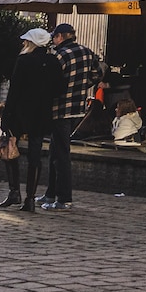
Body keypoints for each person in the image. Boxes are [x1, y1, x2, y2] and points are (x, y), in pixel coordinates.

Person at [41, 22, 104, 212]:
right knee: (56, 150)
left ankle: (63, 198)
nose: (53, 40)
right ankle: (50, 193)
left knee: (60, 153)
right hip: (77, 107)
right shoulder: (88, 52)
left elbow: (51, 80)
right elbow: (98, 74)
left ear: (60, 36)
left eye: (54, 37)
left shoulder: (59, 55)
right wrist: (81, 87)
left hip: (59, 108)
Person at [0, 25, 58, 211]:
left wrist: (6, 116)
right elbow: (59, 88)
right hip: (41, 114)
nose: (23, 43)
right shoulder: (53, 62)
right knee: (35, 155)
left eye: (26, 40)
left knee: (10, 149)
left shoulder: (23, 61)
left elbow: (14, 91)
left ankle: (14, 191)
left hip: (20, 113)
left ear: (32, 43)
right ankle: (30, 199)